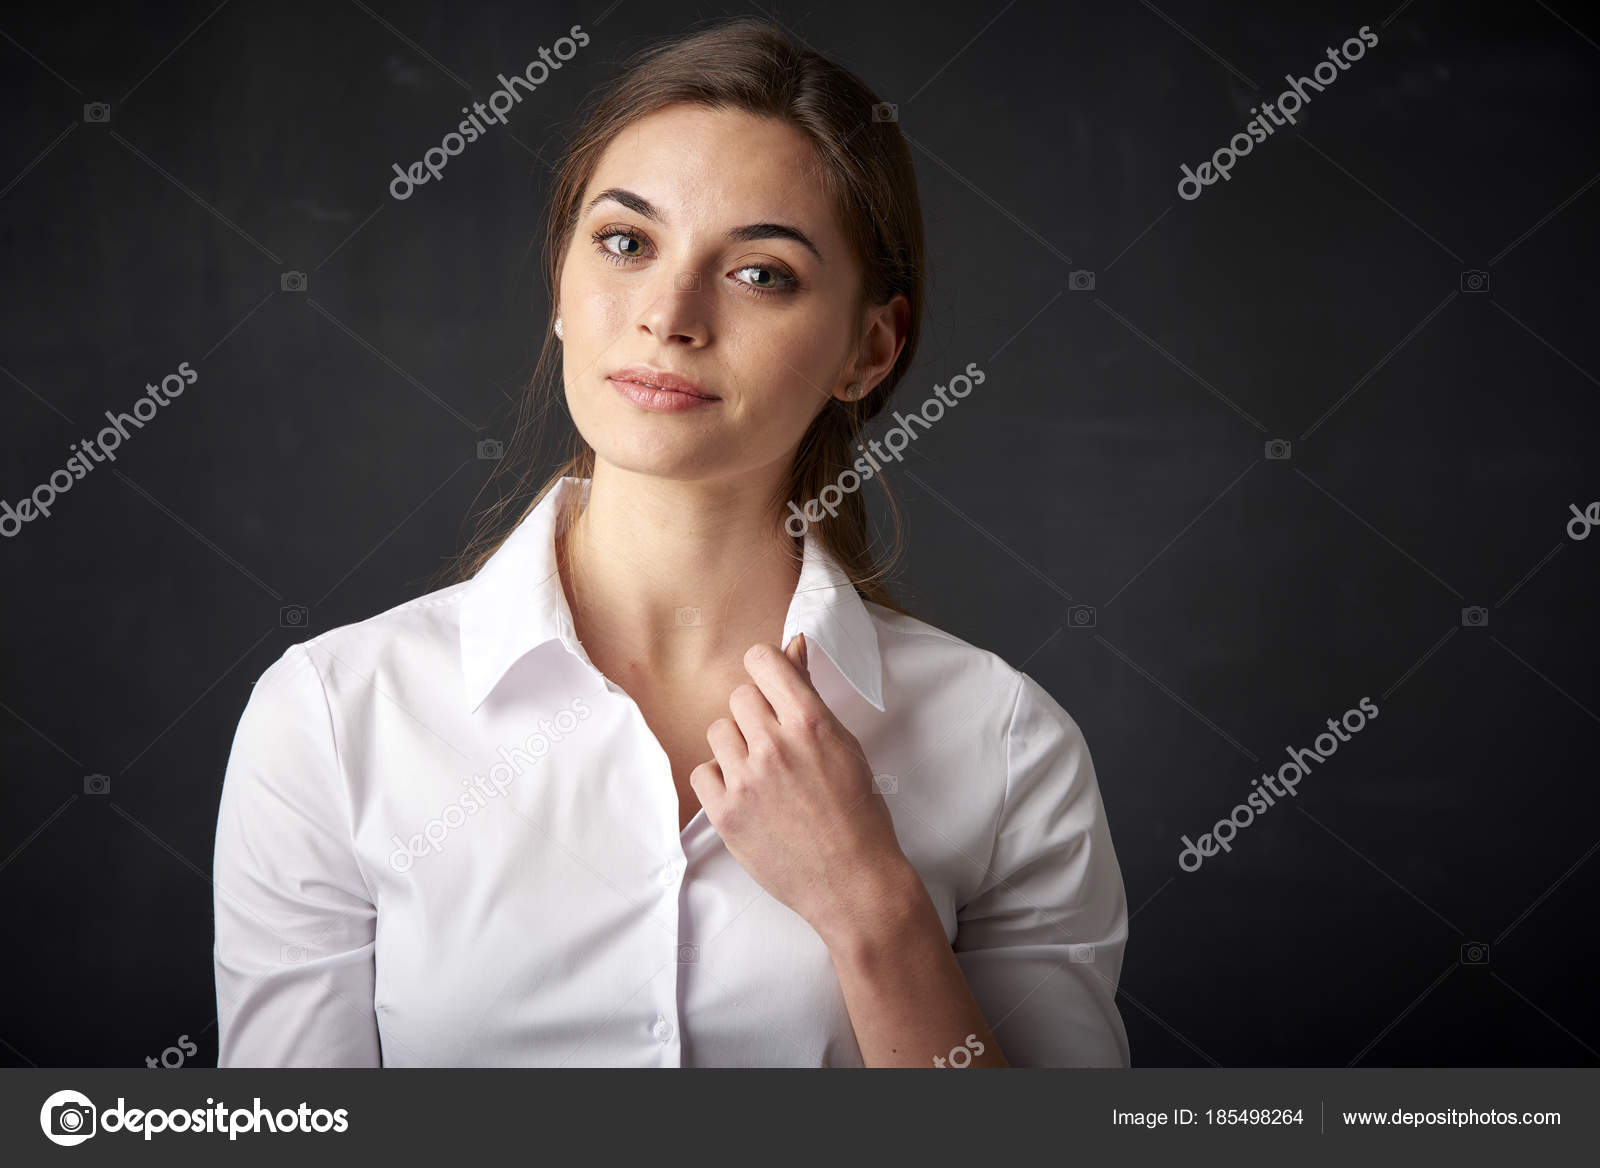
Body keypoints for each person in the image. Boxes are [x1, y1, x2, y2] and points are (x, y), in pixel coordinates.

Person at [212, 16, 1130, 1068]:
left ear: (870, 350)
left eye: (761, 273)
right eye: (626, 243)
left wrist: (871, 905)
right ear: (562, 285)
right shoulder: (332, 718)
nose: (670, 314)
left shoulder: (1006, 746)